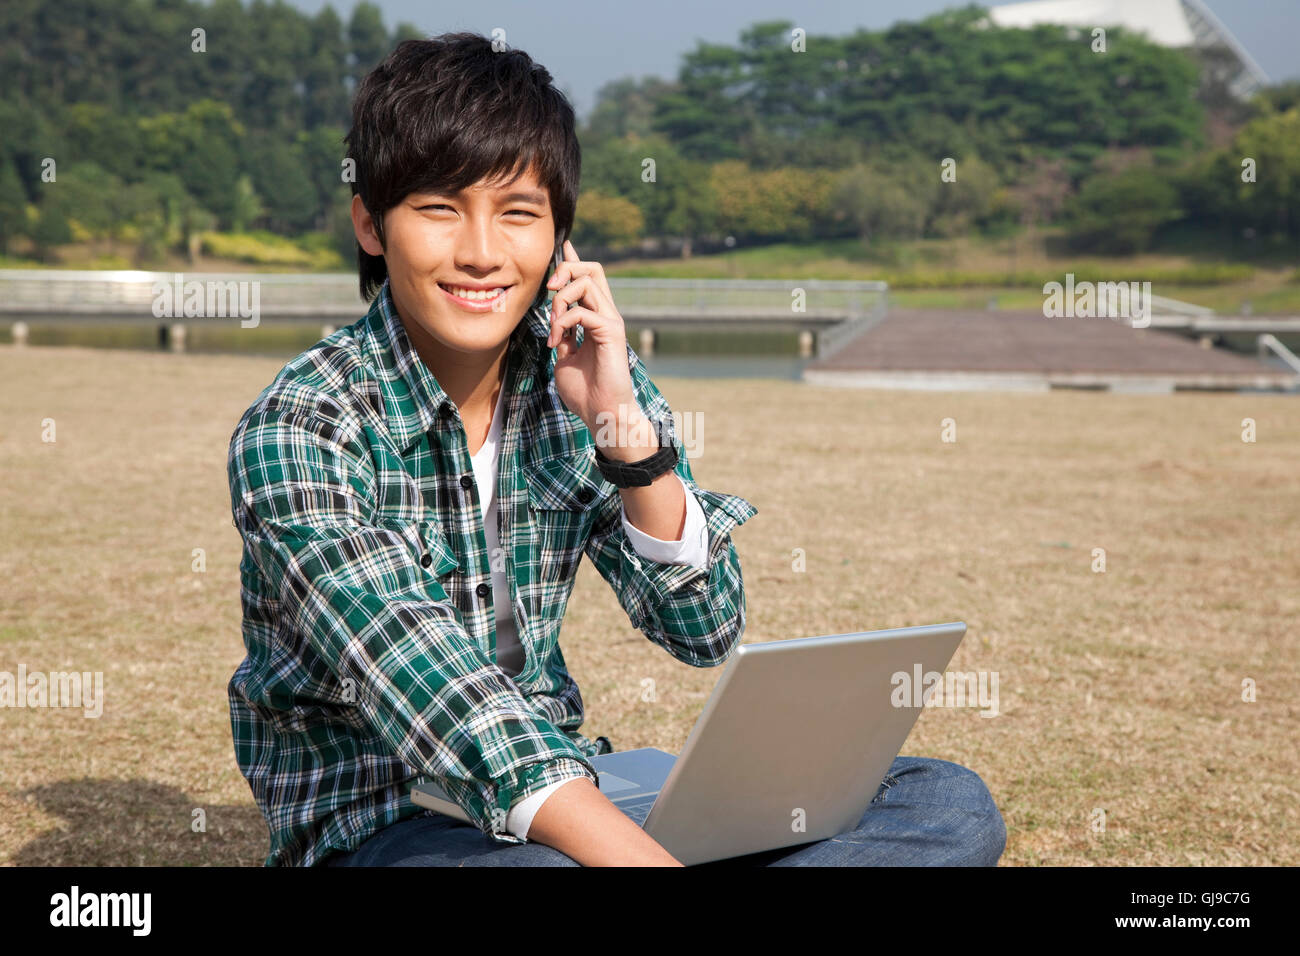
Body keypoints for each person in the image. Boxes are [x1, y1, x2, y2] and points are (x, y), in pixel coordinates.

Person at [226, 31, 1006, 867]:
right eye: (440, 208)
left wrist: (624, 432)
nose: (482, 252)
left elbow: (705, 628)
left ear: (561, 240)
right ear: (371, 225)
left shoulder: (584, 372)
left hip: (580, 793)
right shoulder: (301, 426)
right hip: (387, 823)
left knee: (946, 805)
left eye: (518, 213)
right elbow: (444, 695)